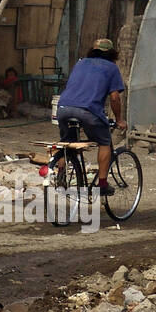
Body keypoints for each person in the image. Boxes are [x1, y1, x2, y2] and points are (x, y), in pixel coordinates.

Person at [55, 38, 126, 195]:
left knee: (66, 143)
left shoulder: (80, 63)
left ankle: (61, 174)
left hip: (63, 108)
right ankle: (102, 184)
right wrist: (119, 119)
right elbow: (114, 98)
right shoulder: (111, 68)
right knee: (104, 141)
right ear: (112, 53)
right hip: (88, 111)